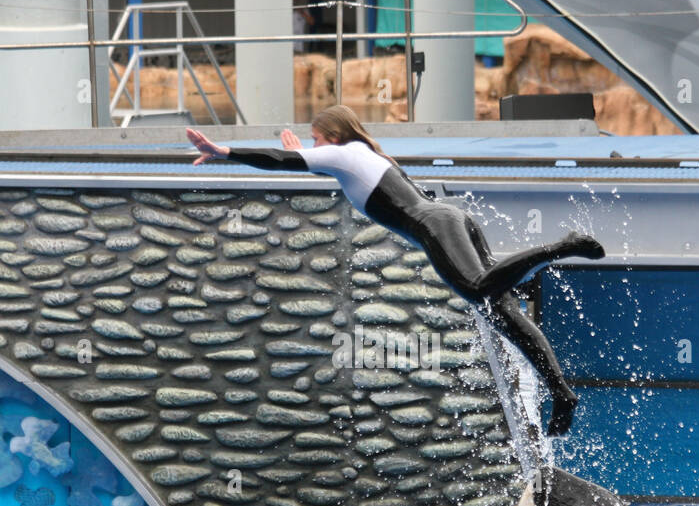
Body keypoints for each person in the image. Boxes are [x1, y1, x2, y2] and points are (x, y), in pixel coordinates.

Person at [185, 105, 604, 435]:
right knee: (499, 309)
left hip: (435, 226)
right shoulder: (362, 153)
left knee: (478, 290)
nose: (315, 147)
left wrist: (224, 152)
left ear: (331, 134)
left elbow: (279, 160)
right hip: (450, 218)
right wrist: (303, 152)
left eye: (316, 140)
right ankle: (562, 393)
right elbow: (299, 159)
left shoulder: (342, 151)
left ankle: (560, 246)